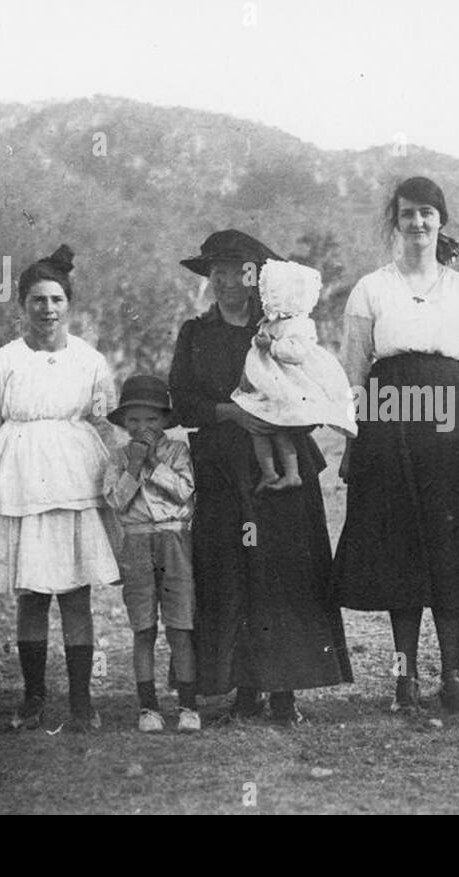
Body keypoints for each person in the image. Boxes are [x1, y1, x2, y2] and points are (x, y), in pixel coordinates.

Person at [170, 230, 352, 726]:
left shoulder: (284, 332)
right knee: (232, 576)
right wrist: (230, 412)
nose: (228, 281)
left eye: (240, 271)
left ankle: (285, 692)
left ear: (257, 278)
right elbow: (182, 402)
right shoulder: (196, 334)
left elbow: (313, 389)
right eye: (219, 272)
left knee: (284, 575)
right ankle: (244, 691)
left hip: (284, 464)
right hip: (225, 470)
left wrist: (278, 417)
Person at [331, 176, 459, 715]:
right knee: (399, 549)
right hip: (389, 425)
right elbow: (353, 370)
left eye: (428, 213)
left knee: (451, 551)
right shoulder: (370, 288)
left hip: (453, 428)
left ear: (440, 220)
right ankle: (405, 680)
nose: (418, 223)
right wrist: (354, 439)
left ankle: (453, 677)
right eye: (408, 214)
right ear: (395, 221)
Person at [0, 244, 120, 733]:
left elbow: (105, 422)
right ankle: (33, 696)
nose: (48, 309)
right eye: (37, 300)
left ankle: (81, 699)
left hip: (77, 481)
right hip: (21, 483)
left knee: (76, 594)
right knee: (31, 594)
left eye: (56, 300)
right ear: (22, 305)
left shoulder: (91, 361)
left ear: (69, 304)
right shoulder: (0, 363)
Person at [103, 375, 200, 733]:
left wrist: (154, 465)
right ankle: (148, 708)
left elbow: (184, 492)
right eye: (134, 420)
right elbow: (115, 500)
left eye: (152, 420)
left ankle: (188, 705)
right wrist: (133, 465)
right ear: (124, 424)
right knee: (143, 628)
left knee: (180, 627)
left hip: (174, 541)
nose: (143, 427)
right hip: (137, 543)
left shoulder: (177, 451)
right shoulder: (118, 456)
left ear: (164, 421)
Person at [230, 259, 357, 492]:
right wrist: (248, 376)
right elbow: (254, 357)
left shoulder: (301, 325)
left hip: (290, 385)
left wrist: (272, 347)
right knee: (259, 430)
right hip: (269, 385)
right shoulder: (268, 324)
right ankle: (269, 473)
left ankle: (292, 473)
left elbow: (297, 352)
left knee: (280, 431)